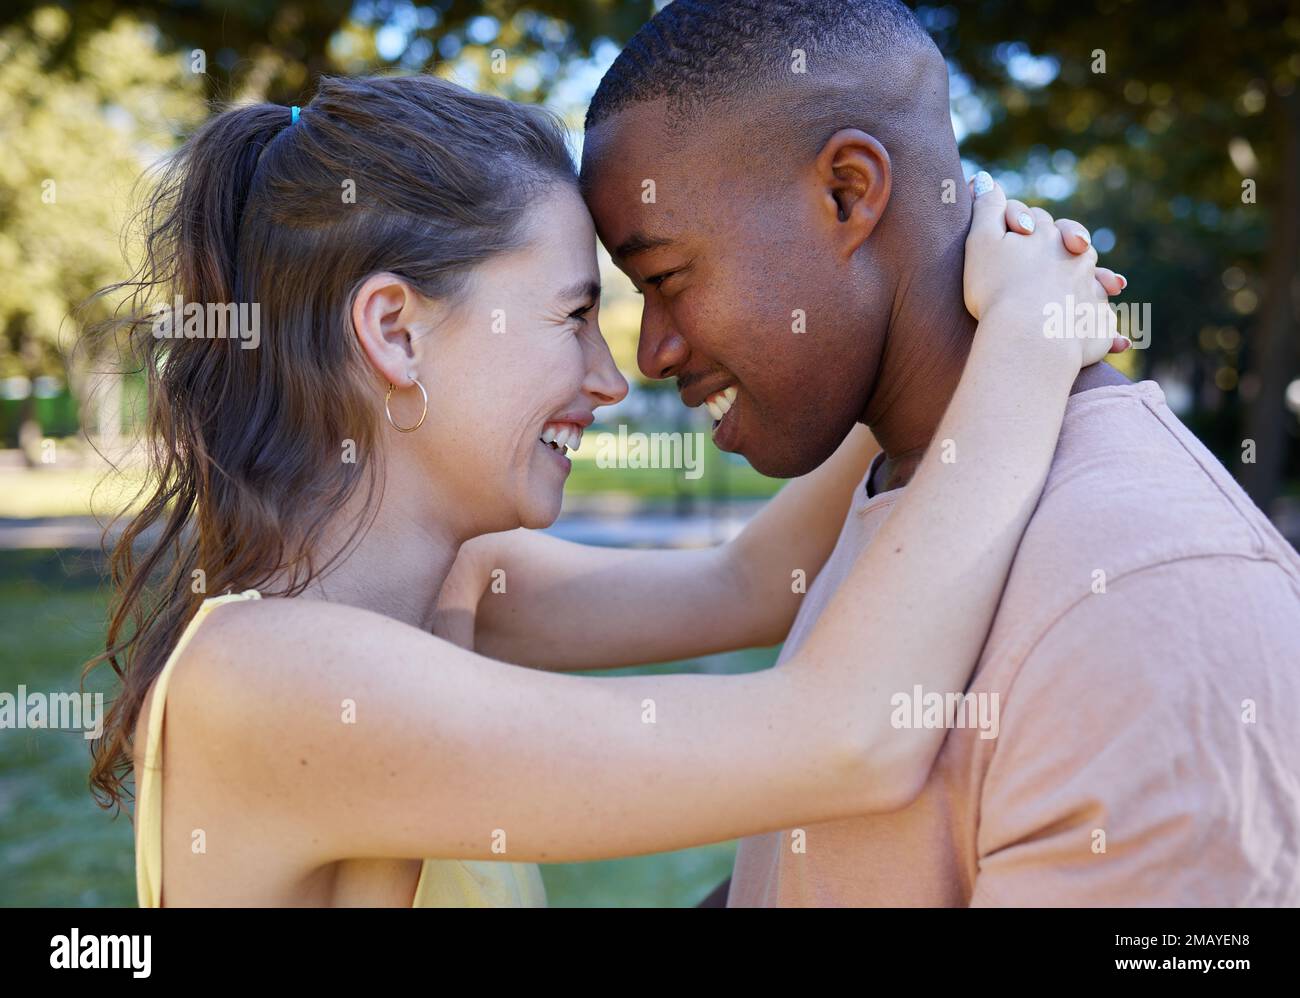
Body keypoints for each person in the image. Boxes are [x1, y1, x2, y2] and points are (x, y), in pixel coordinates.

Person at [87, 73, 1119, 906]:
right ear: (395, 332)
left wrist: (922, 304)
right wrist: (1027, 347)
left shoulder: (461, 584)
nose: (612, 377)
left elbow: (751, 582)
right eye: (571, 315)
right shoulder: (269, 680)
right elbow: (850, 736)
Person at [565, 0, 1300, 906]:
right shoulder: (903, 482)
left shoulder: (1158, 593)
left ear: (847, 192)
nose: (650, 353)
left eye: (666, 280)